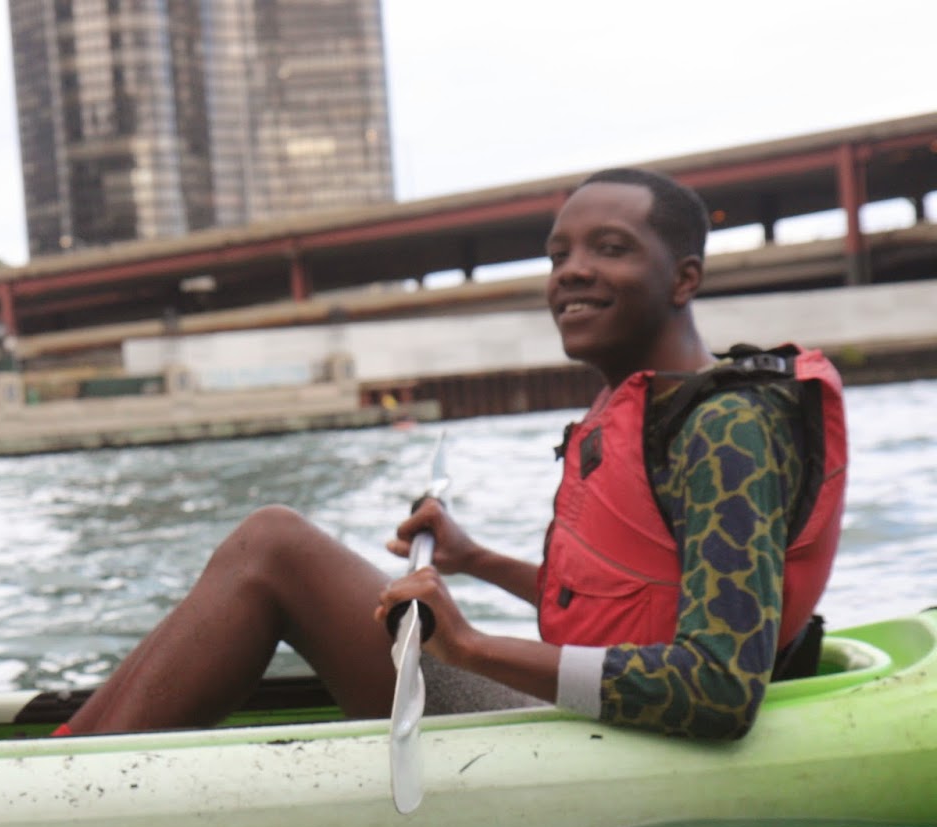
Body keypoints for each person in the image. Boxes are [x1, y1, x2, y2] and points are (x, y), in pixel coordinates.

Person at [61, 168, 846, 740]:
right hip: (598, 721)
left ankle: (64, 781)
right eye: (558, 253)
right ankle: (68, 754)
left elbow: (718, 689)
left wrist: (468, 646)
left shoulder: (725, 428)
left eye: (610, 248)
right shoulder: (647, 413)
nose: (572, 269)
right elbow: (632, 606)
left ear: (684, 279)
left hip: (620, 743)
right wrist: (476, 561)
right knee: (268, 544)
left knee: (274, 547)